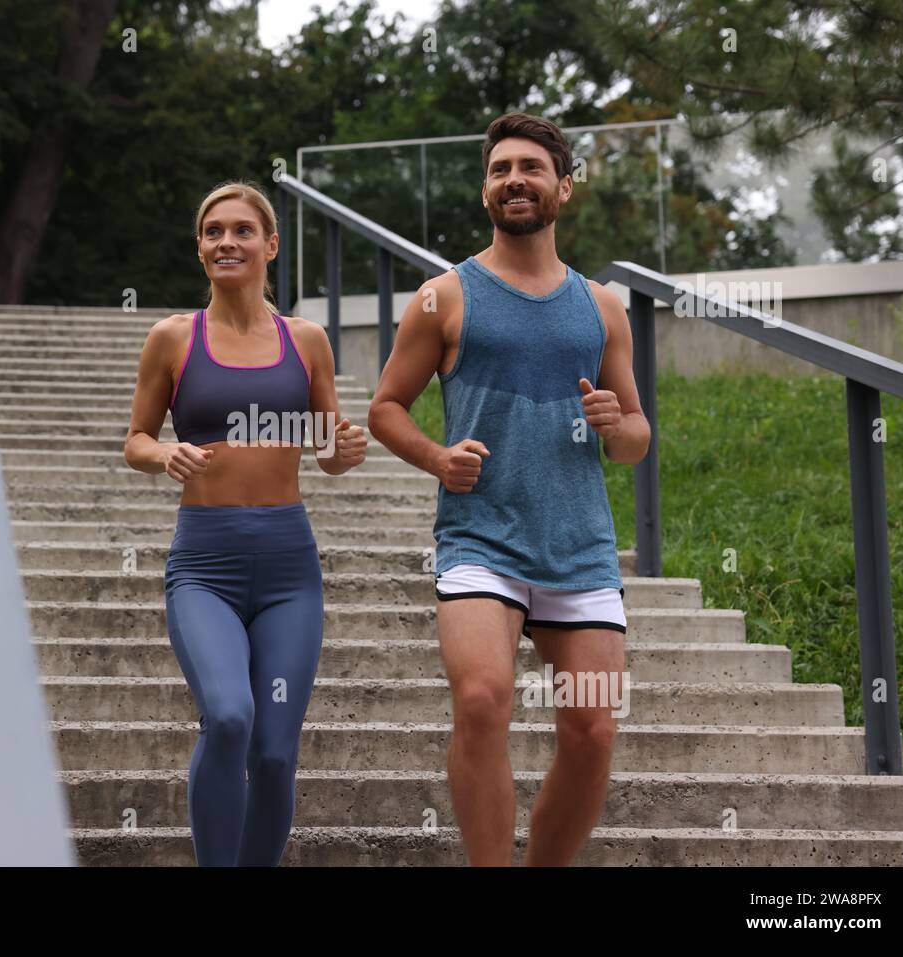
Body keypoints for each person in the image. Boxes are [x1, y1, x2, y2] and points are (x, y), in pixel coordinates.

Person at [368, 112, 652, 866]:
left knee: (593, 732)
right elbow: (384, 408)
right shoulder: (444, 296)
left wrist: (612, 421)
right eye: (499, 170)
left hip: (578, 546)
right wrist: (437, 457)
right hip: (480, 539)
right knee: (484, 697)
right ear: (486, 189)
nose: (514, 179)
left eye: (529, 167)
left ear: (563, 186)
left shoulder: (602, 307)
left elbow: (636, 440)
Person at [124, 180, 367, 866]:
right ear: (200, 247)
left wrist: (342, 451)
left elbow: (327, 448)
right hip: (205, 564)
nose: (226, 241)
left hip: (290, 567)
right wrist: (165, 450)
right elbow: (136, 438)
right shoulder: (172, 337)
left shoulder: (307, 340)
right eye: (212, 231)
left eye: (241, 230)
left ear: (271, 244)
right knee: (229, 716)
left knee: (276, 749)